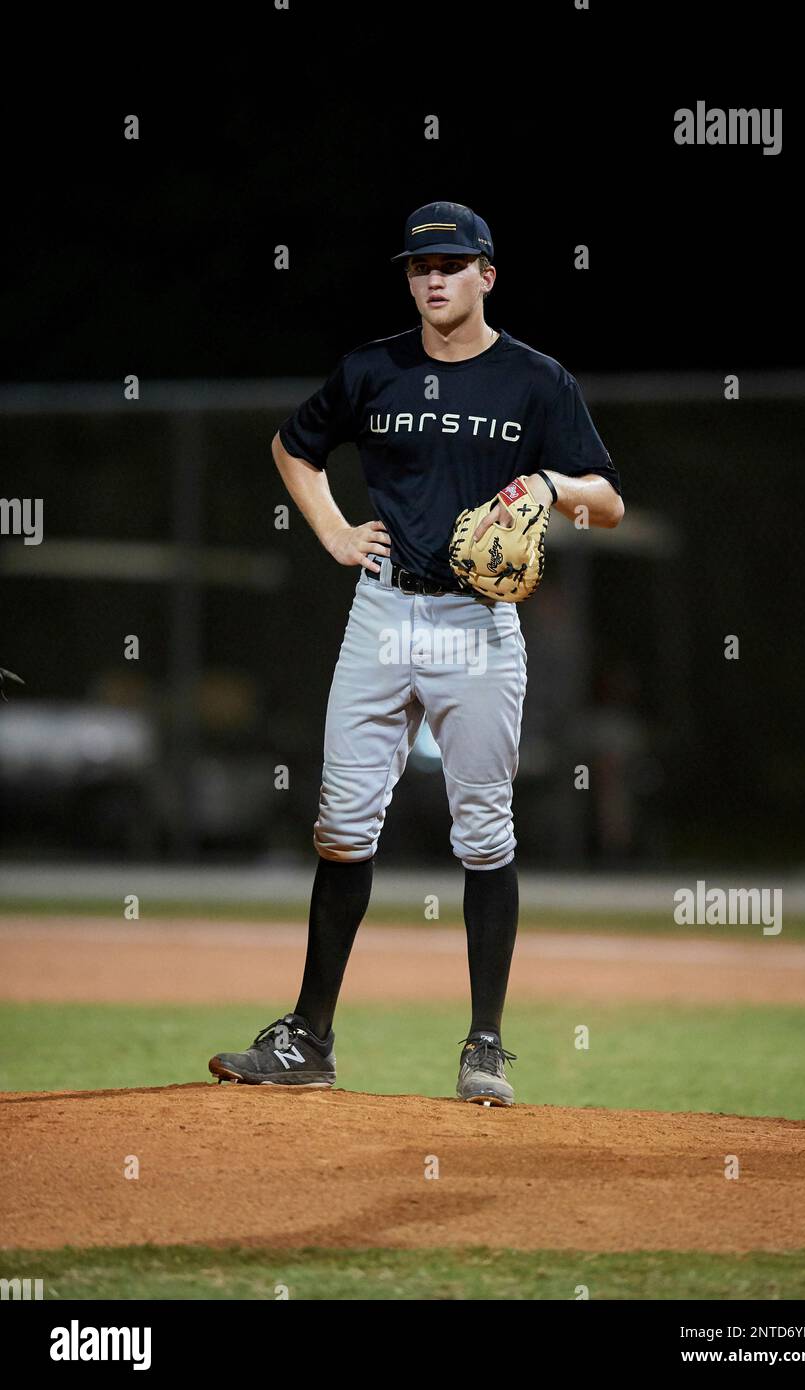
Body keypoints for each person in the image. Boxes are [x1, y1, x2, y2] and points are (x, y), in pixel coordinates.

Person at [209, 201, 623, 1105]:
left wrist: (553, 485)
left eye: (451, 264)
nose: (433, 279)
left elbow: (610, 501)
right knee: (341, 825)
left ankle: (484, 1045)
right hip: (383, 612)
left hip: (477, 625)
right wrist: (329, 530)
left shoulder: (534, 380)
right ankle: (308, 1040)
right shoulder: (374, 368)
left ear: (487, 274)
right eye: (418, 267)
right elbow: (293, 445)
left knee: (483, 832)